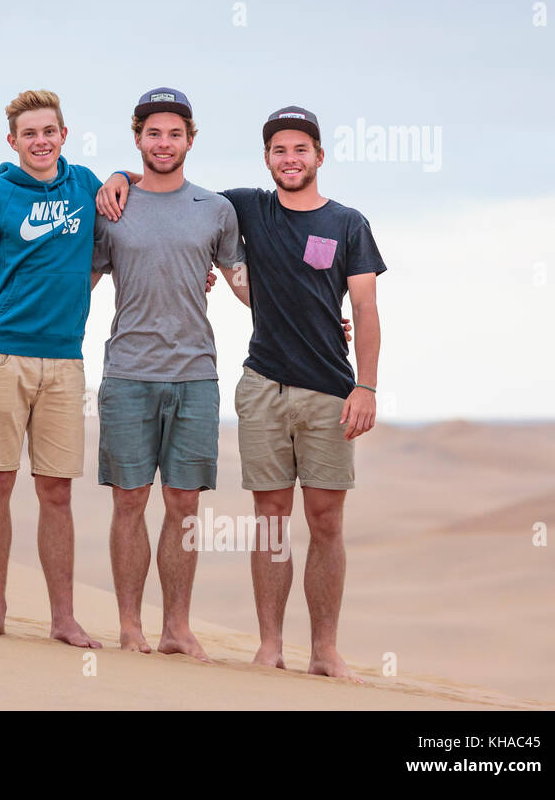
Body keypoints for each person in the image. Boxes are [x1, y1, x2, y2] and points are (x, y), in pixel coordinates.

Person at [95, 105, 384, 680]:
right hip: (260, 387)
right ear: (267, 159)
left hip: (329, 388)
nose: (290, 159)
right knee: (270, 518)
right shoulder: (243, 205)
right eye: (279, 150)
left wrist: (366, 385)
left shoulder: (346, 222)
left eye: (301, 149)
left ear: (319, 156)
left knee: (325, 521)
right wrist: (118, 176)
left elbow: (366, 308)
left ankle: (324, 650)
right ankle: (269, 646)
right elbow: (163, 186)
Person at [0, 89, 102, 648]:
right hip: (2, 356)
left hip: (65, 361)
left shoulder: (86, 185)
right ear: (13, 142)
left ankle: (63, 617)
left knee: (57, 491)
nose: (41, 141)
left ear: (64, 135)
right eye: (29, 133)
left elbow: (130, 224)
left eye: (49, 131)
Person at [91, 87, 244, 661]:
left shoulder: (217, 209)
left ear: (190, 139)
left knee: (184, 503)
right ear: (137, 138)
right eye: (153, 133)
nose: (163, 142)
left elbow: (242, 282)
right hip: (128, 372)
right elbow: (79, 281)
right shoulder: (113, 205)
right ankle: (130, 626)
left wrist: (321, 316)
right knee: (129, 501)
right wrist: (2, 308)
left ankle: (176, 628)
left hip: (196, 375)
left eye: (174, 133)